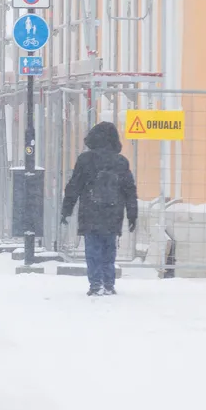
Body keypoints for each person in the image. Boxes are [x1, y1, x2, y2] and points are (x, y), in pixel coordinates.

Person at [61, 121, 138, 296]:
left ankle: (96, 284)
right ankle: (109, 283)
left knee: (93, 249)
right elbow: (129, 189)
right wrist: (132, 213)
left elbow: (74, 186)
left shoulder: (85, 160)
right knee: (109, 249)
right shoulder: (121, 162)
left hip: (90, 212)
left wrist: (67, 209)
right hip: (113, 213)